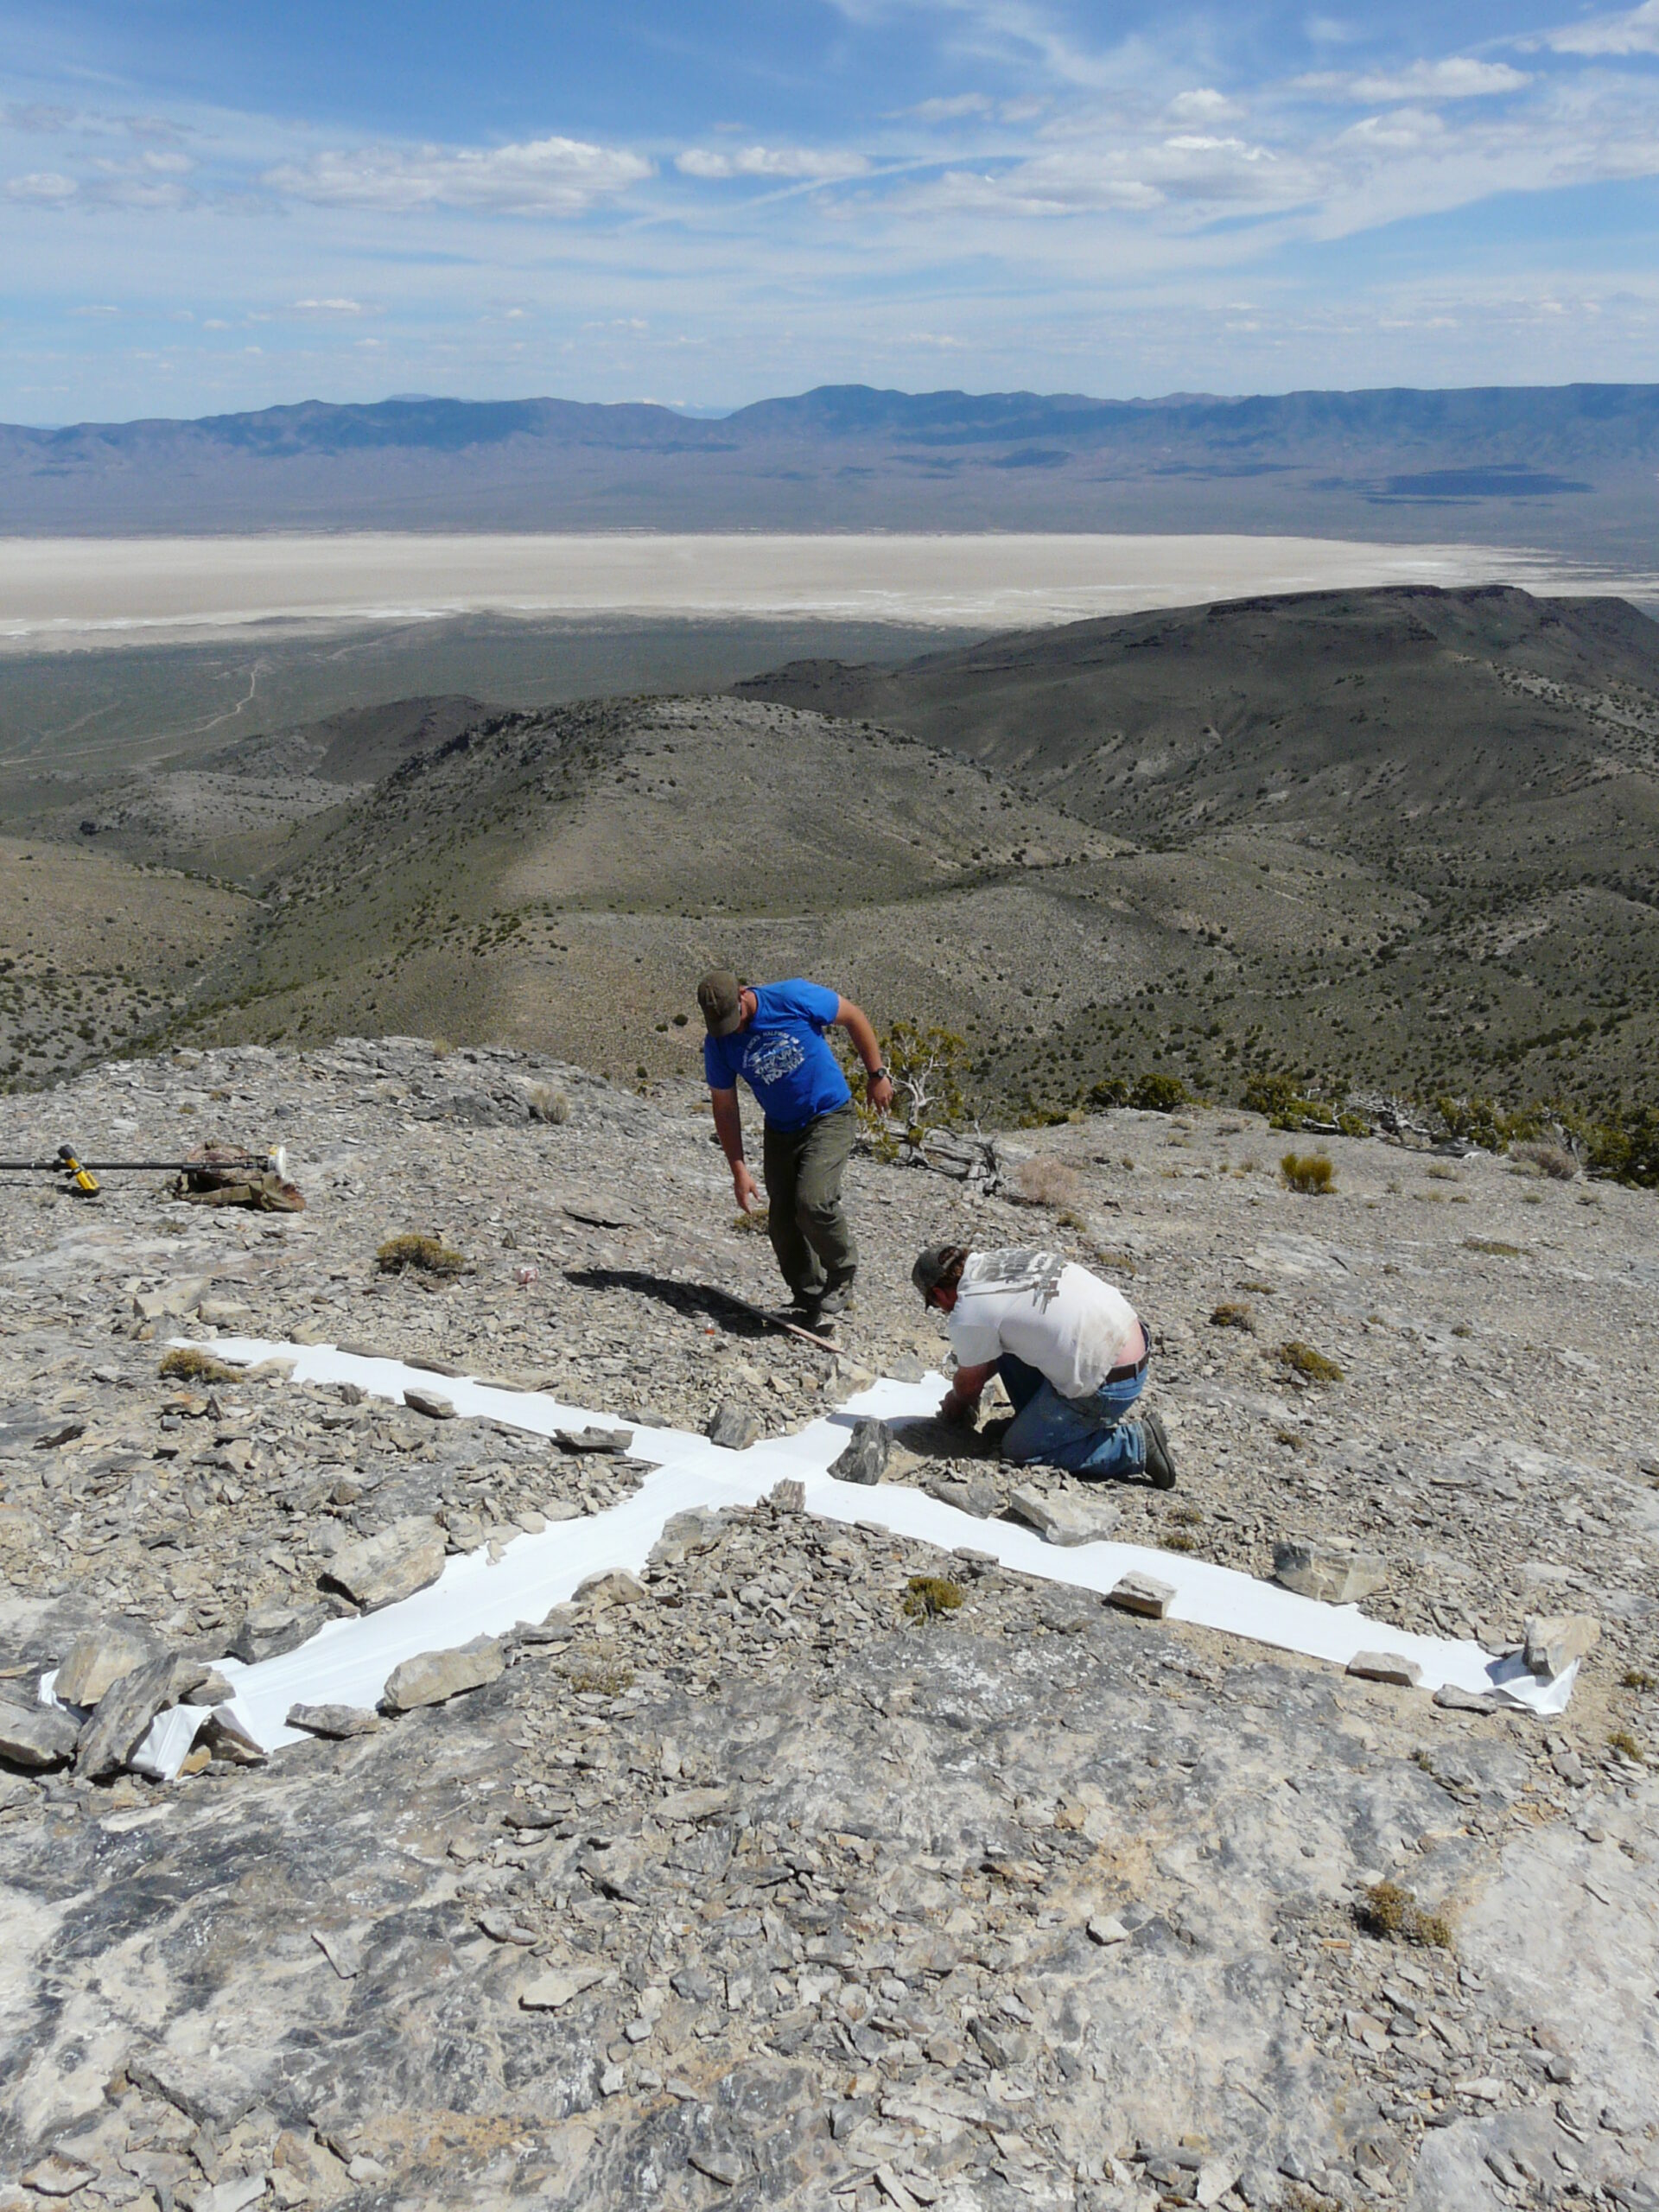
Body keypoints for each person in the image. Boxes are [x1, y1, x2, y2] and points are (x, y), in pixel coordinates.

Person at [698, 969, 894, 1320]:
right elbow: (725, 1105)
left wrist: (876, 1074)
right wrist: (738, 1169)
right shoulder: (718, 1044)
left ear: (744, 994)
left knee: (814, 1200)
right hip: (781, 1129)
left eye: (735, 1019)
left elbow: (853, 1016)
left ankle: (842, 1271)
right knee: (783, 1221)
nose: (734, 1030)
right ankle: (809, 1296)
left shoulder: (791, 998)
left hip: (829, 1113)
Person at [912, 1242, 1176, 1486]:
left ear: (938, 1293)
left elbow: (970, 1384)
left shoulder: (969, 1311)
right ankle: (1037, 1423)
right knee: (1006, 1341)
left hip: (1109, 1384)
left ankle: (1136, 1445)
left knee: (1019, 1449)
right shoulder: (1000, 1260)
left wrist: (955, 1405)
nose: (942, 1311)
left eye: (936, 1305)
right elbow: (989, 1355)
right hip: (1129, 1341)